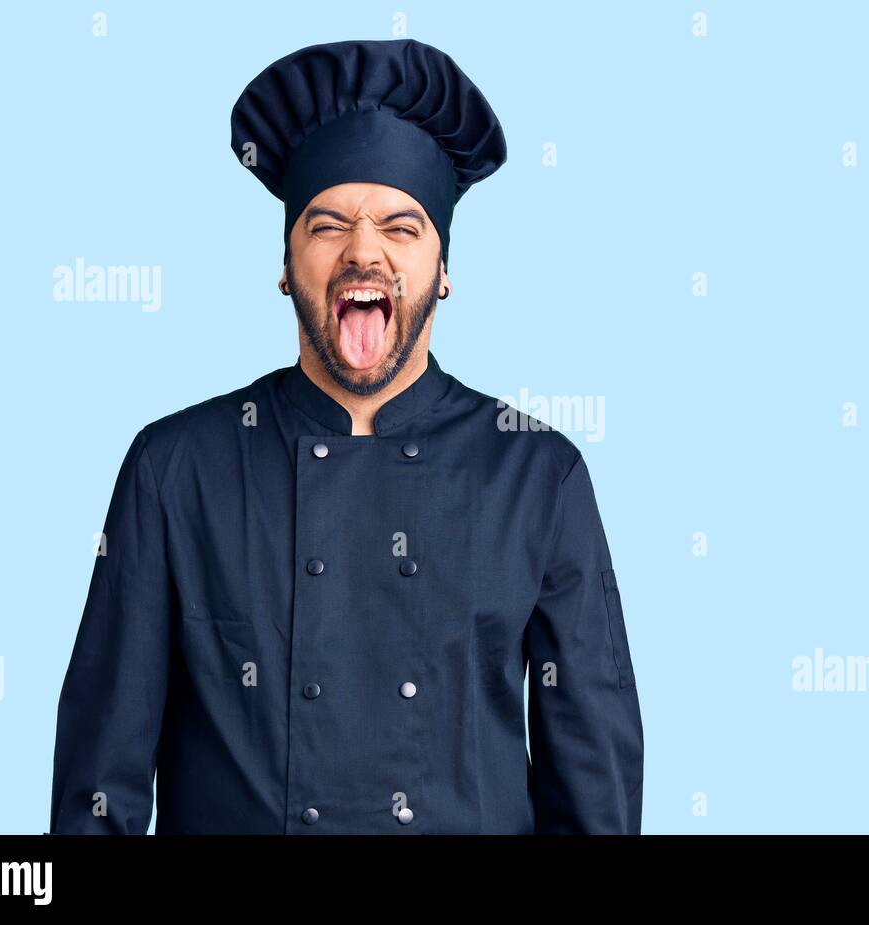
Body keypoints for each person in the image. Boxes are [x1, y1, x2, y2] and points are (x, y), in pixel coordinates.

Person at [48, 38, 643, 835]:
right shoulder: (175, 468)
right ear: (287, 263)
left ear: (443, 270)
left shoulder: (537, 474)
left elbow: (594, 796)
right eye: (328, 224)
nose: (365, 250)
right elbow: (98, 791)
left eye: (403, 227)